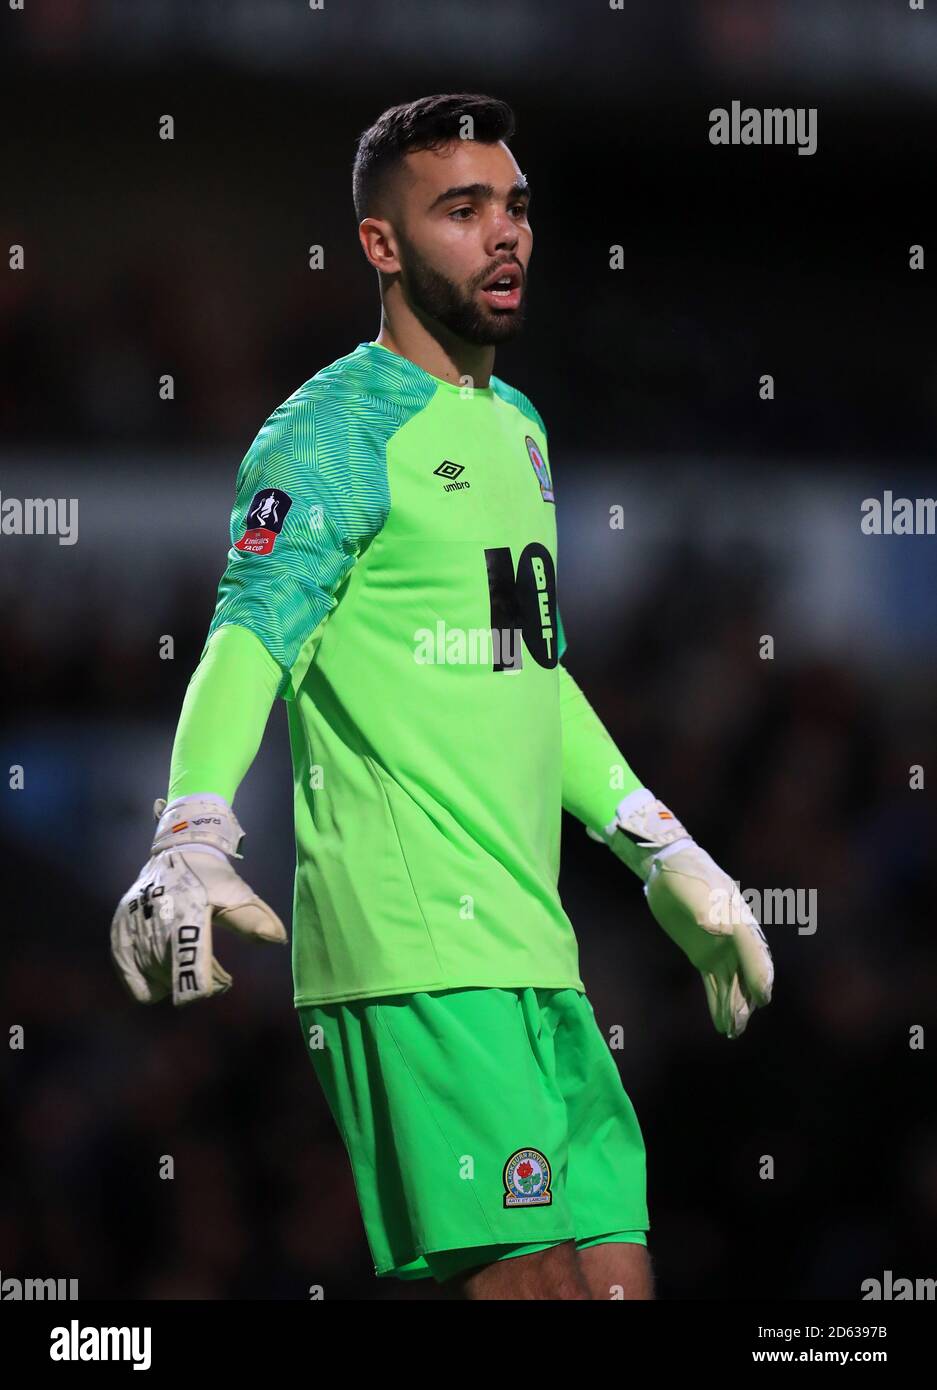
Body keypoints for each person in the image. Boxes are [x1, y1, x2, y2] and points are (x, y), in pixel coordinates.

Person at [111, 93, 773, 1301]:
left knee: (619, 1279)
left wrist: (662, 845)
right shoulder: (326, 435)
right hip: (414, 949)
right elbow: (249, 631)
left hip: (534, 943)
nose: (504, 234)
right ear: (380, 246)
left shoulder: (515, 426)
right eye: (460, 211)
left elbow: (535, 668)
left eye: (514, 206)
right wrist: (193, 824)